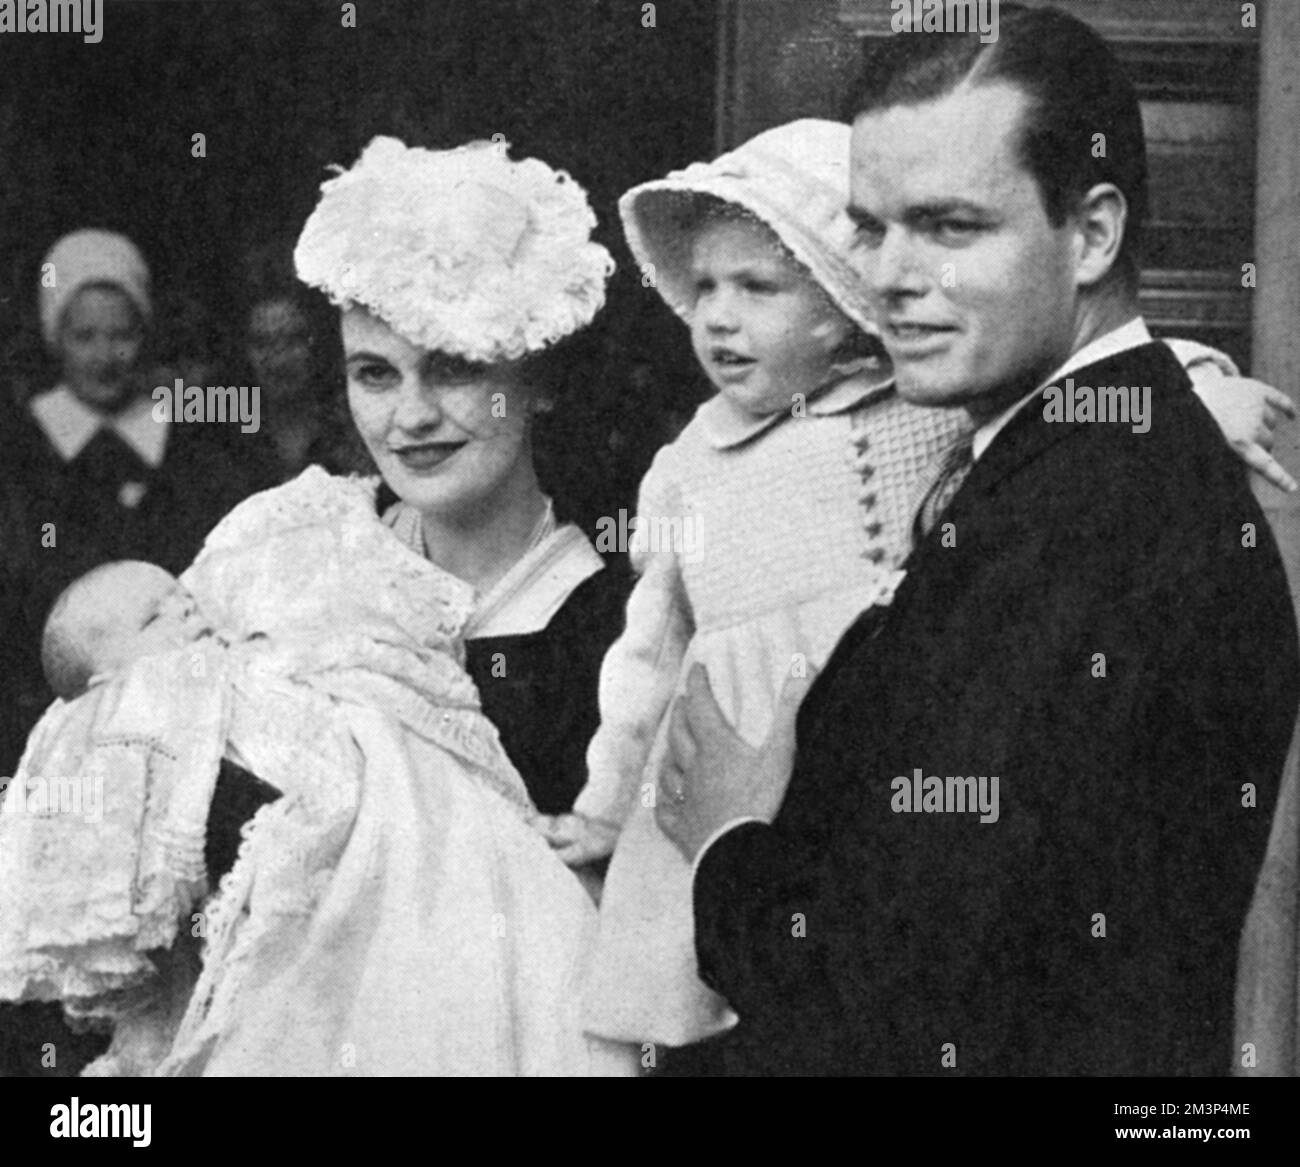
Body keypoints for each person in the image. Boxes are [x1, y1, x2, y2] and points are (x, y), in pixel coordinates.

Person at [551, 118, 1295, 1051]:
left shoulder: (927, 412)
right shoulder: (684, 469)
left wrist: (1204, 394)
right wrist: (609, 803)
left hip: (863, 766)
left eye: (756, 287)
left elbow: (1112, 374)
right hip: (735, 742)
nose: (718, 317)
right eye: (701, 288)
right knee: (706, 995)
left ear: (835, 301)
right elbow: (645, 658)